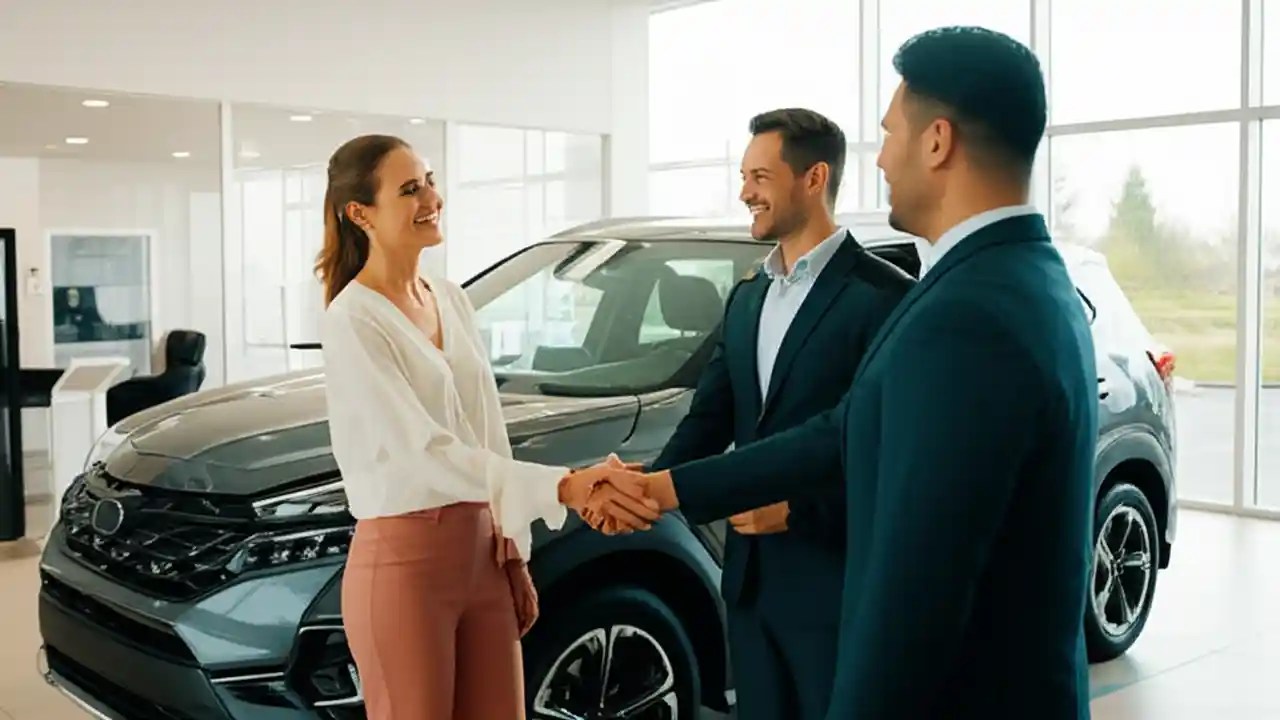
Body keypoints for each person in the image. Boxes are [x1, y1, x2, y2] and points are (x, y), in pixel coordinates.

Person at [591, 26, 1097, 719]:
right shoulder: (1021, 279)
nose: (882, 159)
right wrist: (661, 487)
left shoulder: (966, 313)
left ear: (938, 141)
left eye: (890, 134)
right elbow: (845, 431)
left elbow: (916, 586)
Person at [314, 134, 658, 720]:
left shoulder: (449, 298)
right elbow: (426, 451)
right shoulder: (352, 319)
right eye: (409, 188)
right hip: (404, 566)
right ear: (360, 214)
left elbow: (486, 433)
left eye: (429, 180)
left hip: (484, 555)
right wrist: (565, 486)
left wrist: (514, 553)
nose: (431, 197)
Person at [627, 108, 912, 720]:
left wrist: (804, 511)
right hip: (751, 588)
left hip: (838, 586)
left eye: (759, 175)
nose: (744, 192)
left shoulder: (885, 298)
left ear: (813, 178)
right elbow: (708, 421)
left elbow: (896, 454)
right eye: (742, 175)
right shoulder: (747, 297)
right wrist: (640, 492)